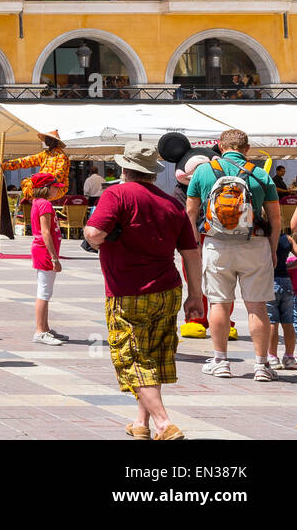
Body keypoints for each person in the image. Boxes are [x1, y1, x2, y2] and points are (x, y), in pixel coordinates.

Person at [84, 140, 204, 441]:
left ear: (125, 168)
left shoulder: (117, 194)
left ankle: (164, 423)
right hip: (168, 290)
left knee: (132, 359)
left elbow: (95, 234)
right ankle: (141, 423)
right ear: (152, 172)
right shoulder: (171, 203)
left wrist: (93, 235)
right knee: (153, 357)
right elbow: (191, 252)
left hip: (128, 292)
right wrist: (194, 295)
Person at [185, 129, 283, 381]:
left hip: (217, 244)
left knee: (219, 303)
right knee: (256, 305)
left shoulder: (203, 172)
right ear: (247, 149)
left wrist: (194, 245)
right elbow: (275, 216)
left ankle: (220, 361)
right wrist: (272, 248)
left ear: (219, 146)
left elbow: (190, 213)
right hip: (255, 243)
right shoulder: (260, 174)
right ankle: (262, 365)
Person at [22, 175, 68, 345]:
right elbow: (45, 232)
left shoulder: (38, 203)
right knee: (44, 292)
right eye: (55, 186)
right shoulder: (45, 204)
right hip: (44, 251)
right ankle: (40, 331)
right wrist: (54, 257)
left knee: (45, 291)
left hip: (42, 250)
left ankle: (45, 328)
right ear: (47, 187)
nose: (58, 189)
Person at [266, 227, 296, 370]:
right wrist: (289, 265)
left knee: (272, 322)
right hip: (286, 282)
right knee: (288, 322)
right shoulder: (287, 238)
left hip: (269, 281)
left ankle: (272, 357)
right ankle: (290, 357)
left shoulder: (263, 238)